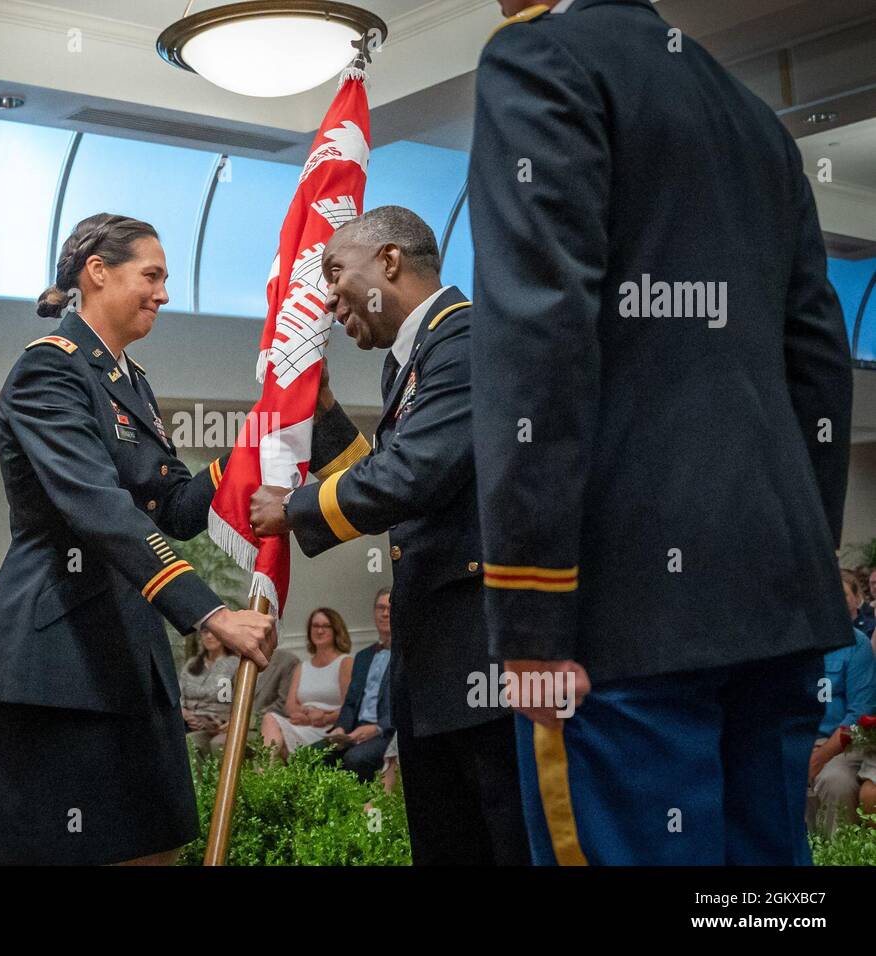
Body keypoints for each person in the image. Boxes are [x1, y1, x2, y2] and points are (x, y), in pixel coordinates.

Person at [467, 0, 854, 864]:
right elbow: (819, 357)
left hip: (617, 603)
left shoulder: (537, 58)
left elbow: (539, 332)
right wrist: (798, 555)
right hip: (773, 601)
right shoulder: (754, 118)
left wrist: (531, 615)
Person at [0, 213, 283, 866]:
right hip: (60, 660)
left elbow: (169, 505)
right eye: (152, 275)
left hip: (127, 653)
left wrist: (251, 447)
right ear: (98, 273)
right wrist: (211, 612)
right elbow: (100, 510)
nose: (164, 294)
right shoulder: (47, 370)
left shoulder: (131, 381)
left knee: (155, 843)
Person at [251, 206, 529, 865]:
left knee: (500, 846)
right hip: (436, 664)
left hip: (482, 663)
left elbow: (415, 473)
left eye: (335, 271)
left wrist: (293, 510)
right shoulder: (412, 358)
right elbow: (395, 482)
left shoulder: (464, 340)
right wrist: (320, 417)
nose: (327, 293)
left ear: (390, 261)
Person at [808, 572, 876, 835]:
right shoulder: (783, 644)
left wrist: (819, 757)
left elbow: (861, 716)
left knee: (837, 782)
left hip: (836, 746)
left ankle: (837, 857)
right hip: (790, 741)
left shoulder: (856, 644)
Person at [259, 609, 353, 761]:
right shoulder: (302, 666)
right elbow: (289, 706)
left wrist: (324, 717)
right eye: (315, 626)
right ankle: (264, 777)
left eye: (325, 626)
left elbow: (349, 706)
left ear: (336, 630)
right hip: (303, 724)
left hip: (330, 728)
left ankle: (278, 778)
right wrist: (307, 714)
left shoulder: (345, 662)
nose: (319, 631)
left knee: (279, 741)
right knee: (270, 718)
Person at [327, 588, 394, 782]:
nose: (385, 613)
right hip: (353, 730)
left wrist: (377, 728)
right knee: (314, 753)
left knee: (354, 758)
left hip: (386, 733)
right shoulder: (363, 657)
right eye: (380, 608)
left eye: (391, 608)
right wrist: (340, 728)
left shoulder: (408, 656)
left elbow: (408, 705)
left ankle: (362, 808)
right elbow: (349, 703)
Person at [180, 631, 237, 756]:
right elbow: (179, 696)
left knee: (189, 741)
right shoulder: (192, 664)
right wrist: (186, 715)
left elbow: (241, 700)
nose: (209, 636)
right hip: (188, 722)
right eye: (205, 632)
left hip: (218, 724)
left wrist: (232, 721)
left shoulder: (235, 665)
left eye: (214, 633)